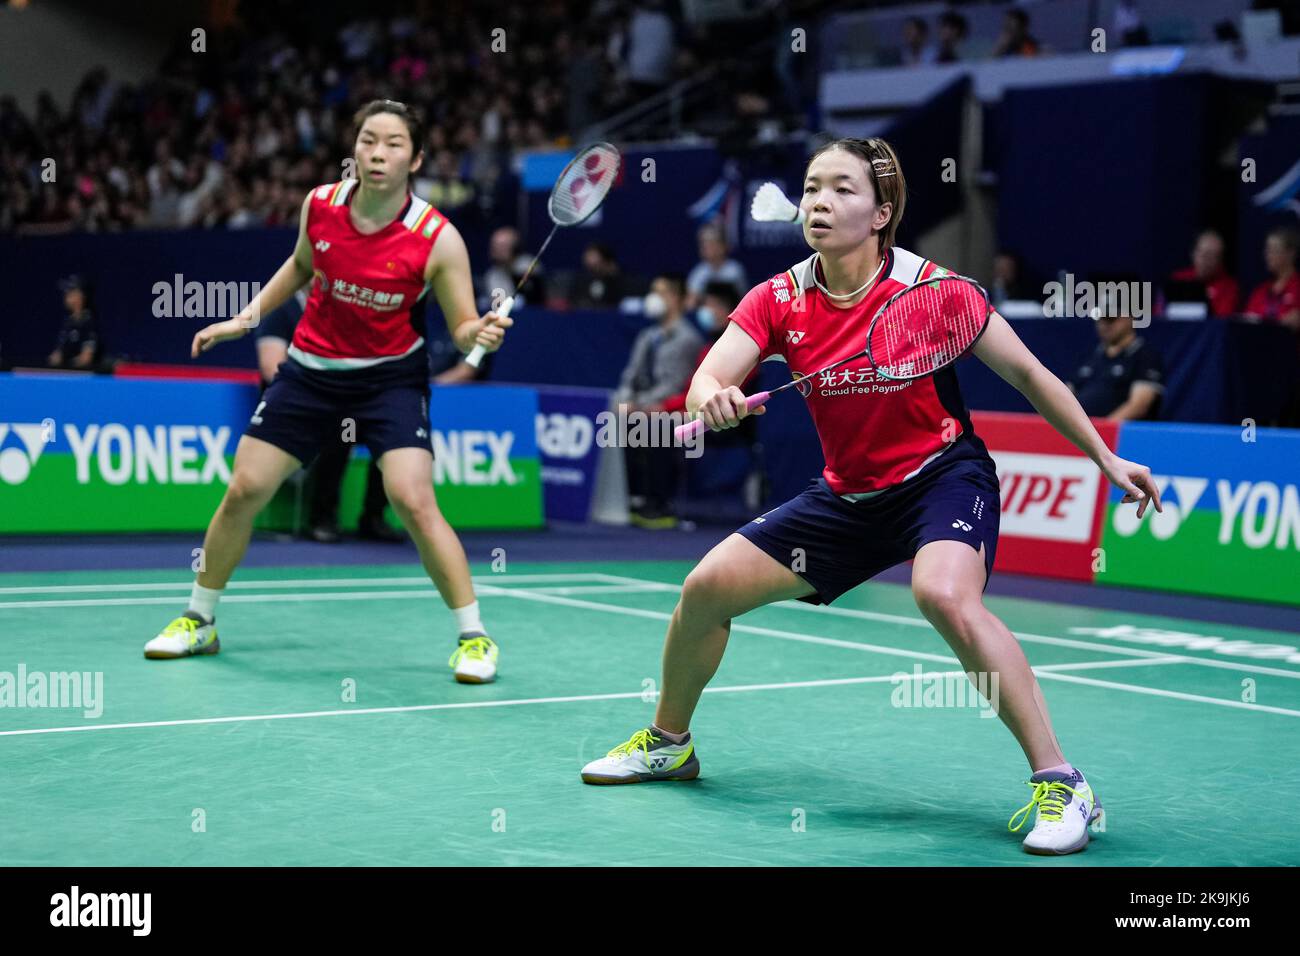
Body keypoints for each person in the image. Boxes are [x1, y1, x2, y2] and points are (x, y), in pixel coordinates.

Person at [579, 137, 1163, 857]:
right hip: (847, 498)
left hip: (943, 480)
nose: (819, 202)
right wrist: (715, 399)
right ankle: (670, 743)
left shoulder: (933, 292)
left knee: (943, 595)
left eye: (842, 190)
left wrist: (1106, 456)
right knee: (704, 588)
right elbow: (707, 379)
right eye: (812, 187)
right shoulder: (780, 297)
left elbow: (1033, 377)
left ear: (881, 211)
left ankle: (1062, 781)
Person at [143, 100, 512, 684]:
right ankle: (199, 619)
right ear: (355, 148)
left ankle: (474, 636)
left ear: (414, 158)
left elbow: (463, 326)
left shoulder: (437, 239)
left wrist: (481, 333)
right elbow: (299, 265)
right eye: (368, 140)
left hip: (390, 378)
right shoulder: (321, 205)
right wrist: (243, 320)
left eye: (393, 144)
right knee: (244, 489)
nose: (377, 153)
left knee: (412, 500)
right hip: (311, 369)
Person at [254, 291, 403, 543]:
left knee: (390, 432)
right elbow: (272, 370)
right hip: (296, 408)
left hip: (343, 404)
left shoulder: (341, 312)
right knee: (341, 431)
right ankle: (321, 517)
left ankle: (374, 516)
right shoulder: (281, 310)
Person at [613, 274, 703, 528]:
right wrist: (627, 399)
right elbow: (630, 374)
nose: (653, 298)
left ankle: (659, 503)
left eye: (660, 292)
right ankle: (634, 497)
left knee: (656, 425)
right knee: (617, 418)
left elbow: (674, 385)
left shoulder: (688, 339)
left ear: (675, 299)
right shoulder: (646, 335)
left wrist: (642, 405)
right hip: (644, 405)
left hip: (674, 409)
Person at [1067, 307, 1166, 421]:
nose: (1104, 325)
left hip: (1119, 435)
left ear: (1130, 319)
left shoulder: (1146, 356)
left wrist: (1102, 430)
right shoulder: (1091, 356)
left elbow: (1138, 406)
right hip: (1080, 432)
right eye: (1100, 319)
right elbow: (1066, 393)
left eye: (1111, 319)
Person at [1168, 230, 1238, 317]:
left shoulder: (1229, 287)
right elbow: (1159, 314)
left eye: (1214, 256)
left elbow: (1221, 321)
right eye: (1204, 255)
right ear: (1193, 253)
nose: (1207, 261)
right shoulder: (1178, 279)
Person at [1242, 227, 1300, 329]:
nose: (1267, 255)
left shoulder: (1297, 286)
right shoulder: (1260, 291)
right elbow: (1247, 323)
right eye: (1267, 250)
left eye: (1273, 250)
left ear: (1290, 254)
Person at [685, 223, 746, 311]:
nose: (707, 248)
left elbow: (743, 302)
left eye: (711, 244)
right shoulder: (698, 272)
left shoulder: (734, 270)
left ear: (723, 246)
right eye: (703, 245)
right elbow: (690, 304)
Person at [47, 275, 100, 370]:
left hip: (85, 379)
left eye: (71, 292)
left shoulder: (90, 323)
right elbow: (58, 354)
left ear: (81, 296)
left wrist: (65, 365)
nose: (66, 295)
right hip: (67, 375)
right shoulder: (68, 322)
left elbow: (86, 359)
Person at [572, 241, 627, 308]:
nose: (588, 259)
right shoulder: (581, 281)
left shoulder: (616, 279)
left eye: (593, 256)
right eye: (587, 256)